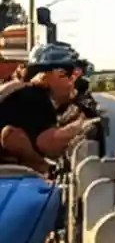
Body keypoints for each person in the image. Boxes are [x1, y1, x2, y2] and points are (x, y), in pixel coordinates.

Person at [0, 44, 94, 175]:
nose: (73, 83)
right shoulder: (35, 98)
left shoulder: (23, 92)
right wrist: (83, 126)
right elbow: (47, 143)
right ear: (48, 75)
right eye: (69, 75)